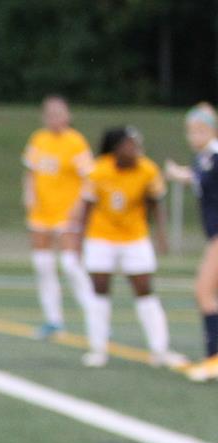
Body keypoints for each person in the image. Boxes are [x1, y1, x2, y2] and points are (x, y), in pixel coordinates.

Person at [77, 126, 183, 369]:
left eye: (137, 145)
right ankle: (98, 348)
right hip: (101, 237)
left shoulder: (147, 169)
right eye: (130, 145)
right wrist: (79, 238)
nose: (136, 150)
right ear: (116, 148)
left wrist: (161, 234)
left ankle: (160, 349)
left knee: (144, 288)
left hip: (134, 237)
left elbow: (156, 203)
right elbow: (87, 206)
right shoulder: (98, 170)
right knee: (99, 288)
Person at [21, 95, 94, 339]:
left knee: (70, 265)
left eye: (59, 114)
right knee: (43, 265)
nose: (55, 119)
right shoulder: (38, 139)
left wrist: (78, 208)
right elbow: (30, 172)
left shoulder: (76, 142)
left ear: (68, 116)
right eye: (50, 114)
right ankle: (53, 319)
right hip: (42, 214)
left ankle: (94, 315)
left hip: (66, 214)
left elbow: (89, 179)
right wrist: (29, 195)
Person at [166, 103, 218, 382]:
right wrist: (177, 174)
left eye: (202, 130)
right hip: (213, 235)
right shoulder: (203, 158)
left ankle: (214, 359)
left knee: (204, 292)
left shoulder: (215, 155)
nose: (195, 136)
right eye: (191, 131)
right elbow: (197, 176)